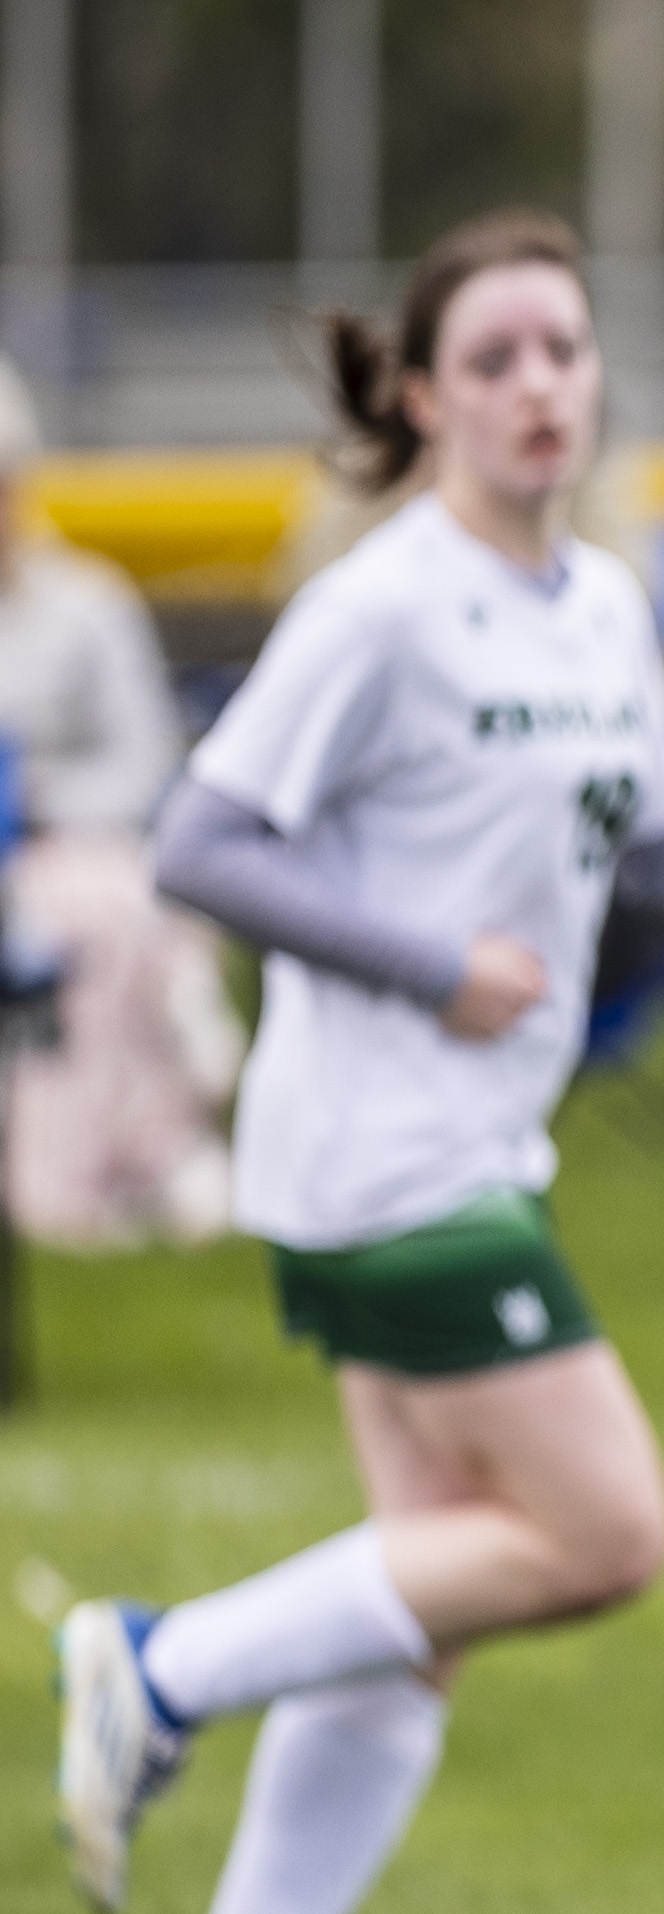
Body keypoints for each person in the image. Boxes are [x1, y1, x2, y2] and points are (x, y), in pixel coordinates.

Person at [48, 209, 664, 1914]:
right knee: (609, 1535)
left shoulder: (598, 601)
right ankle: (159, 1662)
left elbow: (661, 851)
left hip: (475, 1142)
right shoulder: (377, 607)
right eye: (498, 358)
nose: (540, 387)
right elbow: (200, 847)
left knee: (424, 1591)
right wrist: (429, 963)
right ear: (426, 396)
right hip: (379, 1151)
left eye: (566, 351)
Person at [0, 352, 242, 1250]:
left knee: (111, 912)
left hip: (72, 854)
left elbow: (143, 764)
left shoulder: (88, 603)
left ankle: (134, 1151)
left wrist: (33, 793)